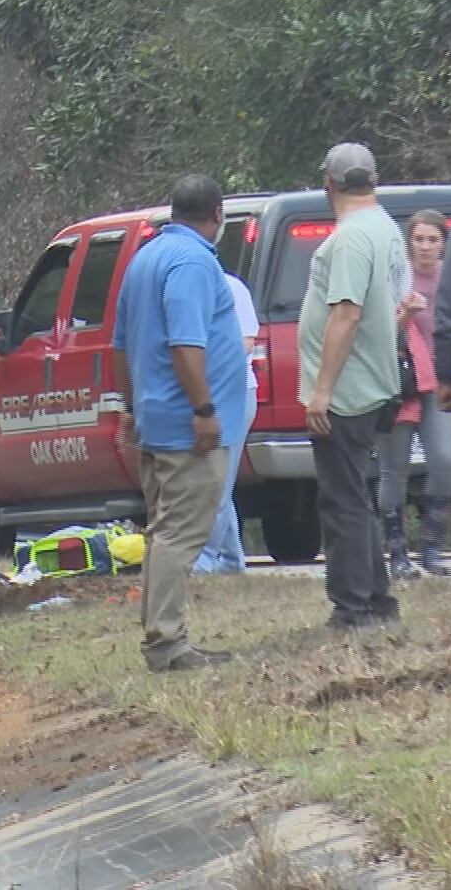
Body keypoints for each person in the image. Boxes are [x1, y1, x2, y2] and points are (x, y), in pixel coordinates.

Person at [112, 174, 249, 671]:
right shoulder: (192, 262)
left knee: (164, 530)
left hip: (156, 417)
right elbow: (186, 343)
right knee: (181, 533)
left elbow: (120, 345)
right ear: (216, 214)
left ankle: (163, 636)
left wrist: (129, 407)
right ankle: (166, 642)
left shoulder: (144, 259)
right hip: (185, 426)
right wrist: (204, 410)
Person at [299, 142, 407, 630]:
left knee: (341, 498)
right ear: (374, 178)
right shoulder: (386, 228)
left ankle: (352, 607)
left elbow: (346, 313)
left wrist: (322, 390)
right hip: (375, 379)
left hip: (349, 387)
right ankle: (378, 600)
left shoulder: (350, 239)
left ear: (330, 183)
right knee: (356, 493)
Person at [377, 210, 451, 578]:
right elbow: (379, 334)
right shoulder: (397, 278)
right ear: (408, 243)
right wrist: (405, 314)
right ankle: (397, 555)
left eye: (433, 240)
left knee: (444, 462)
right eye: (418, 239)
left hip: (437, 382)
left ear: (445, 243)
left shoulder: (450, 278)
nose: (425, 247)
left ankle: (431, 549)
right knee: (394, 469)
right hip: (399, 382)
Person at [192, 270, 259, 574]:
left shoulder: (232, 287)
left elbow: (246, 341)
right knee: (219, 480)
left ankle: (204, 561)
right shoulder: (182, 289)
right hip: (201, 395)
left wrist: (210, 366)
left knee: (215, 481)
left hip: (235, 391)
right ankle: (231, 564)